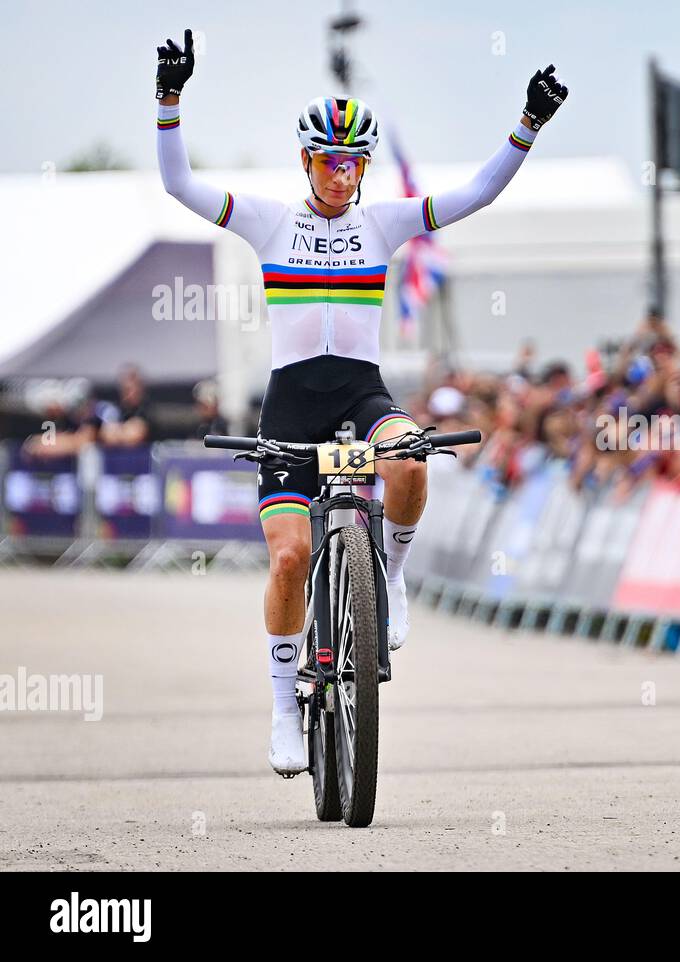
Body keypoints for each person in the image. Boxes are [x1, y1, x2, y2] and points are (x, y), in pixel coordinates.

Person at [155, 28, 567, 774]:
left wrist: (526, 126)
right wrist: (170, 100)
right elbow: (180, 187)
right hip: (289, 405)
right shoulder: (271, 220)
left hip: (360, 391)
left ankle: (393, 577)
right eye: (329, 162)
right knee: (289, 560)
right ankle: (284, 708)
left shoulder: (385, 223)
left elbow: (476, 193)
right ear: (306, 161)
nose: (342, 176)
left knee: (411, 459)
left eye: (353, 163)